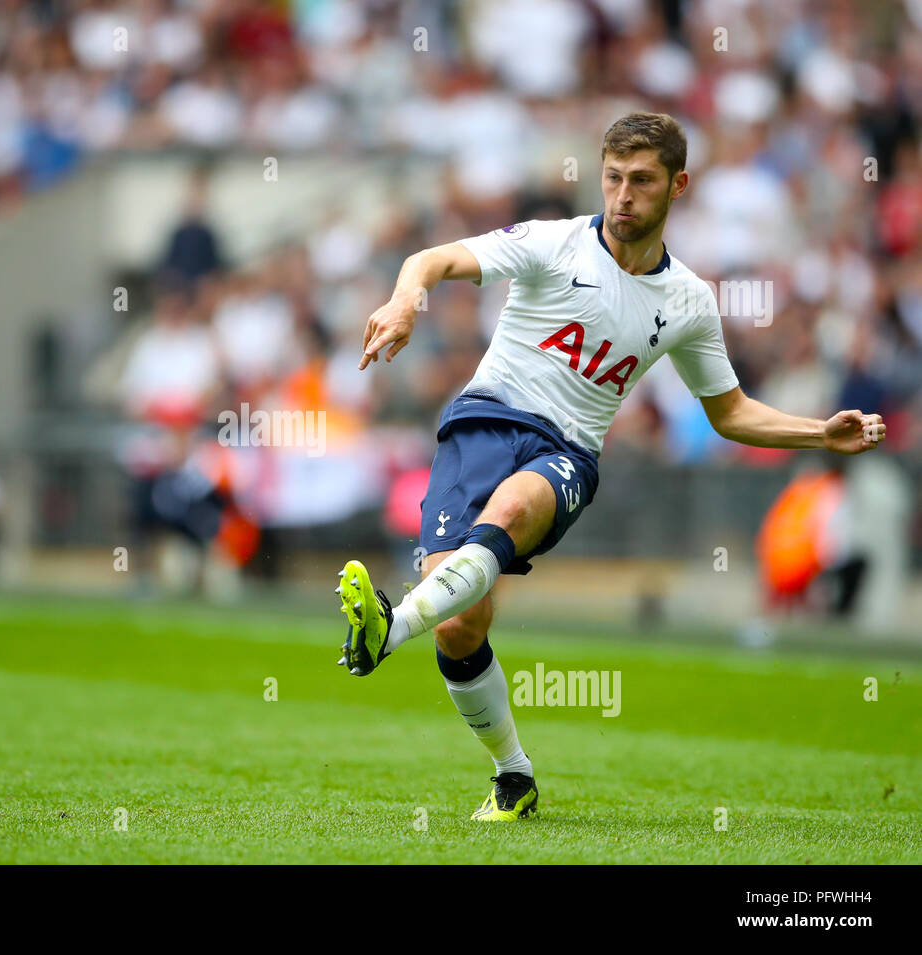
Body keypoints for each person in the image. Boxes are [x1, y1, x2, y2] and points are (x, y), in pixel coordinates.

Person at [334, 112, 888, 823]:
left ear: (677, 186)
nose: (623, 195)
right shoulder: (552, 243)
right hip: (479, 426)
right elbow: (431, 262)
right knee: (460, 625)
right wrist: (406, 299)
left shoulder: (687, 300)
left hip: (566, 452)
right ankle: (514, 774)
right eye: (613, 178)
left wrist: (819, 433)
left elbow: (730, 412)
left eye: (642, 181)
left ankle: (387, 626)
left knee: (507, 517)